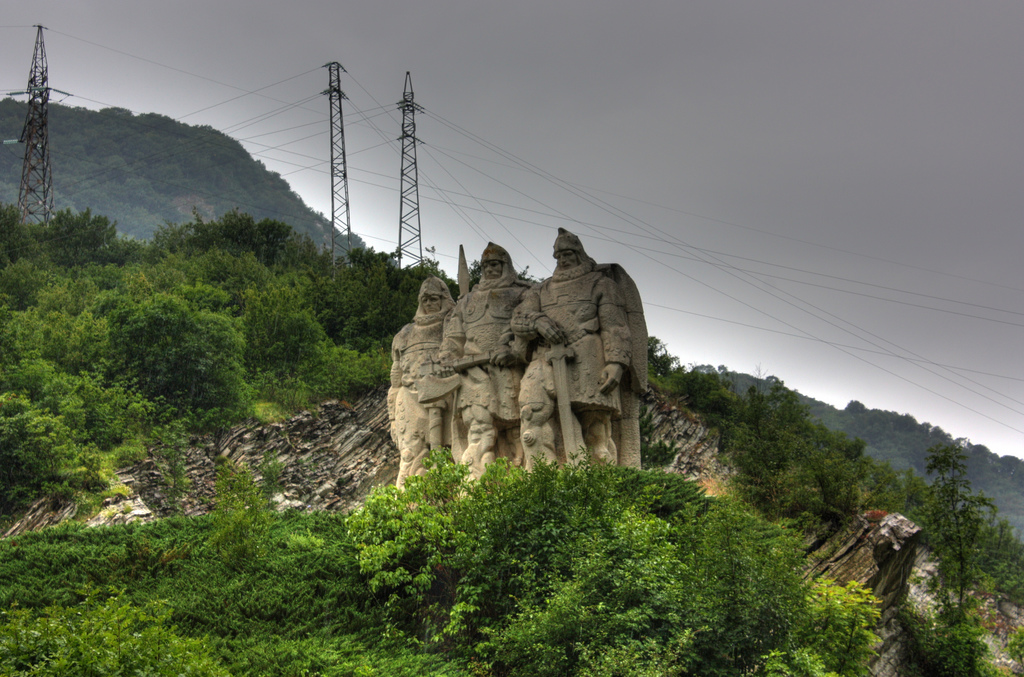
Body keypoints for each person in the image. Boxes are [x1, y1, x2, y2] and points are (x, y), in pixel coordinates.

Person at [512, 228, 647, 468]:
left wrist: (615, 363)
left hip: (588, 358)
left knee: (596, 432)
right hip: (545, 359)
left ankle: (601, 491)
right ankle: (544, 484)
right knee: (531, 416)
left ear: (579, 254)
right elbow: (519, 318)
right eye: (558, 256)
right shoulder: (542, 289)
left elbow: (614, 325)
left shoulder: (600, 283)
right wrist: (538, 321)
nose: (562, 260)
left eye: (568, 254)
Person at [439, 243, 532, 478]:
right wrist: (447, 356)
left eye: (495, 264)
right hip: (472, 373)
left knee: (516, 430)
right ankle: (475, 481)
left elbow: (527, 329)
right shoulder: (467, 301)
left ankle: (517, 478)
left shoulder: (522, 294)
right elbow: (453, 337)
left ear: (506, 266)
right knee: (479, 428)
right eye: (486, 265)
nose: (490, 269)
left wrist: (516, 351)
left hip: (508, 370)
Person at [387, 276, 456, 487]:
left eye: (434, 298)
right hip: (409, 399)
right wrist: (392, 418)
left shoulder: (452, 325)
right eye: (425, 299)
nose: (429, 303)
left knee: (450, 455)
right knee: (409, 455)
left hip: (447, 396)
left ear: (443, 299)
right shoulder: (405, 334)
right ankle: (407, 503)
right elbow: (395, 378)